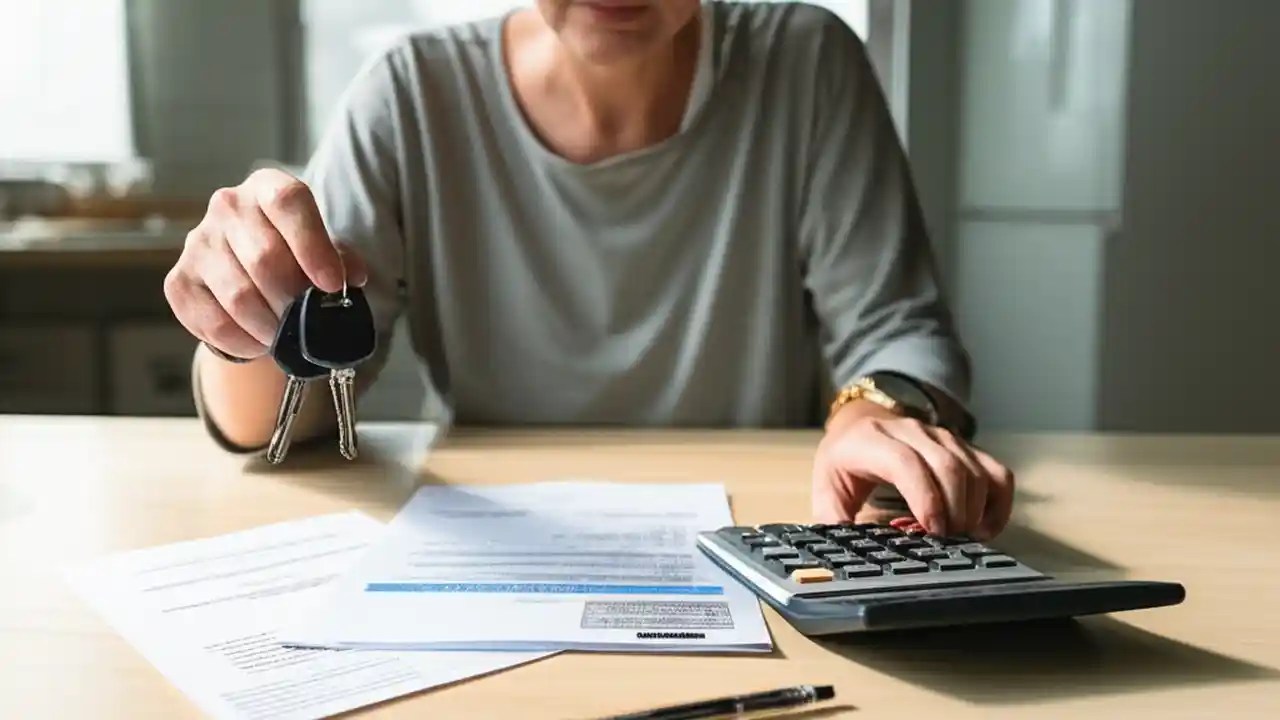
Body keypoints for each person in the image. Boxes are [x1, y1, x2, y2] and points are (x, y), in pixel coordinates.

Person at [163, 0, 1015, 539]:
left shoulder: (807, 60)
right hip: (496, 543)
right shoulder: (412, 94)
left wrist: (874, 412)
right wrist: (247, 321)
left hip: (760, 530)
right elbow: (286, 408)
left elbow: (897, 323)